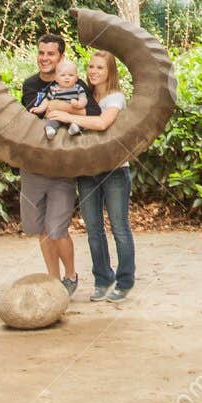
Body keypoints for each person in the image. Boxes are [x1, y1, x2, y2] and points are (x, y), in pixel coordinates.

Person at [61, 50, 136, 302]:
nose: (94, 71)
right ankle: (102, 278)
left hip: (115, 169)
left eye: (100, 68)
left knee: (119, 228)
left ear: (110, 72)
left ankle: (125, 281)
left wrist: (67, 115)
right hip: (87, 170)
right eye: (91, 67)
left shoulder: (116, 97)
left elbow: (102, 123)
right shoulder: (82, 96)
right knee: (93, 229)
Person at [17, 33, 87, 296]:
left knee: (58, 228)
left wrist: (56, 107)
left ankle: (70, 276)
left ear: (61, 57)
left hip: (61, 165)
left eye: (51, 54)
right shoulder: (30, 84)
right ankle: (53, 281)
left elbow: (86, 111)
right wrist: (63, 108)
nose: (45, 58)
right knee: (41, 229)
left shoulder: (75, 82)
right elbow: (35, 111)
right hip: (34, 163)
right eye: (41, 53)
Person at [29, 58, 90, 138]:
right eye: (63, 75)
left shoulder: (78, 88)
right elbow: (47, 100)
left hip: (72, 115)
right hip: (57, 115)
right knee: (51, 120)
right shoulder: (54, 89)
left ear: (76, 78)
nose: (67, 77)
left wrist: (79, 104)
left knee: (78, 121)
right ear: (56, 79)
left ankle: (74, 129)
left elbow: (83, 98)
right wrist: (40, 108)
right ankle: (50, 130)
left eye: (71, 75)